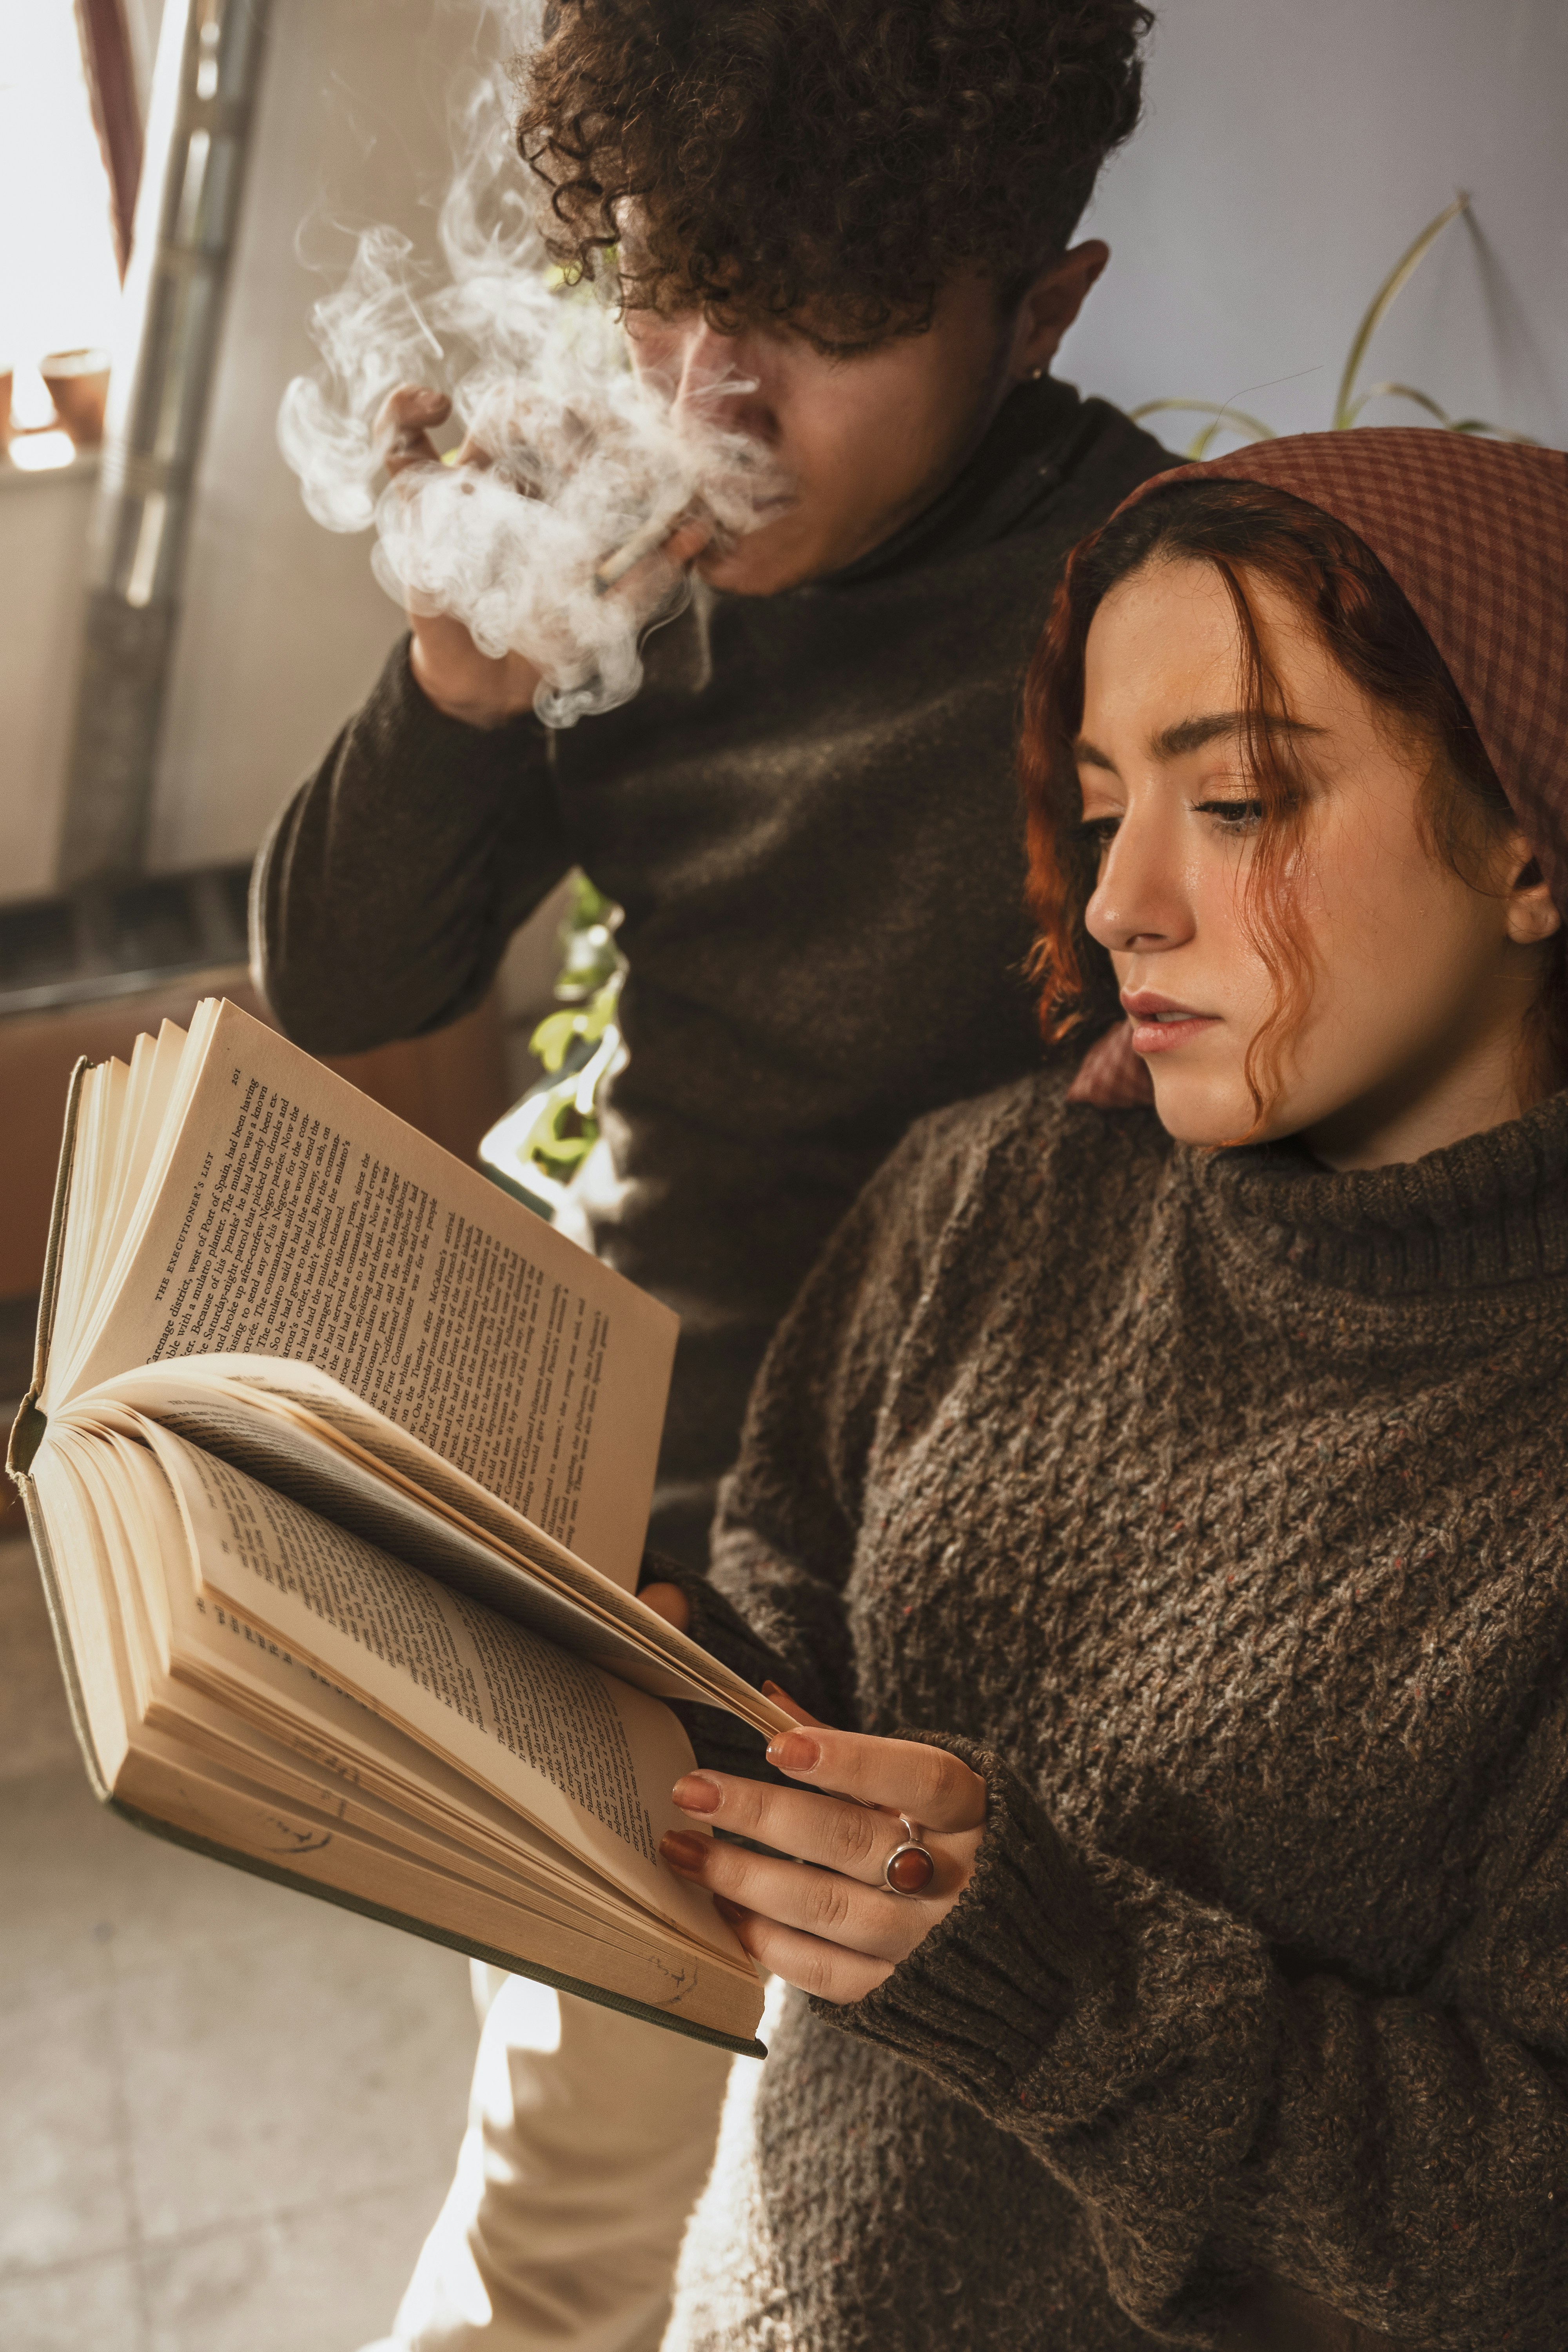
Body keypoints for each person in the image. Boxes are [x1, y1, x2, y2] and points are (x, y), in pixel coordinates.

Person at [253, 6, 1168, 2344]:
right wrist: (460, 673)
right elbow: (349, 970)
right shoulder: (613, 583)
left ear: (1042, 308)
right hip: (663, 1570)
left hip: (1020, 1611)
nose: (716, 396)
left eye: (833, 325)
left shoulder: (1145, 596)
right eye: (670, 291)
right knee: (566, 2238)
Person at [636, 427, 1568, 2350]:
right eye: (1097, 797)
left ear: (1524, 839)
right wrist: (666, 1670)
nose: (1125, 896)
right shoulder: (997, 1187)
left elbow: (1526, 2236)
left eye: (1233, 799)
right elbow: (791, 1601)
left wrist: (1070, 1996)